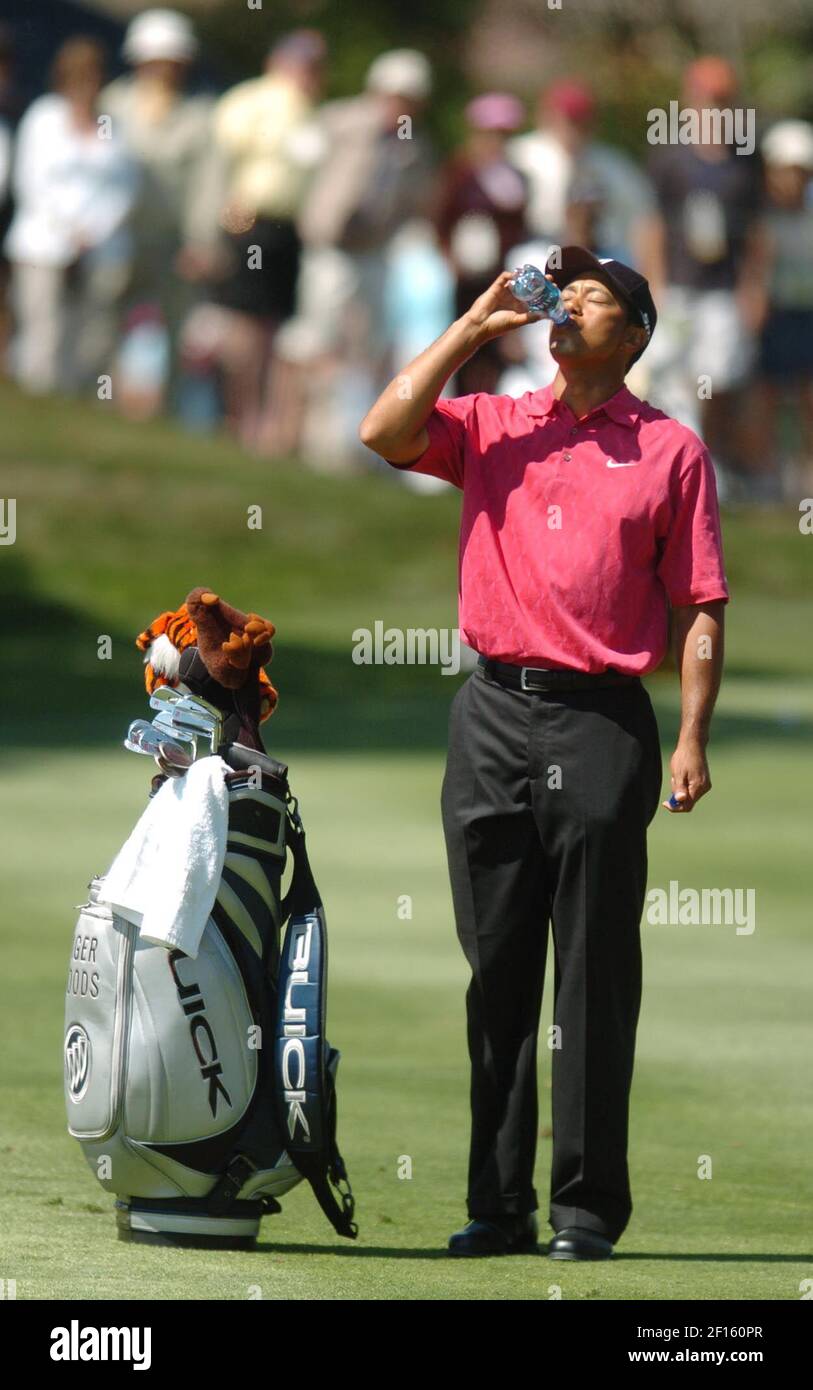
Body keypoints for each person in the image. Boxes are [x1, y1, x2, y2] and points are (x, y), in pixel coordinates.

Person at [359, 245, 729, 1259]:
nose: (564, 306)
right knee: (499, 969)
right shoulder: (496, 421)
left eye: (592, 296)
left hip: (603, 721)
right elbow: (382, 428)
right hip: (491, 715)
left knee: (594, 975)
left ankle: (584, 1209)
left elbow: (700, 604)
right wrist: (474, 328)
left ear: (636, 333)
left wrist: (693, 732)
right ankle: (497, 1202)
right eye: (559, 294)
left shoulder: (670, 450)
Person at [640, 56, 768, 491]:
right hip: (677, 286)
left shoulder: (746, 160)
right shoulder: (670, 158)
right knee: (668, 375)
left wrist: (753, 288)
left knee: (717, 378)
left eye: (722, 100)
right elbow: (652, 223)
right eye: (706, 99)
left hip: (723, 289)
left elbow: (756, 231)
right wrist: (652, 283)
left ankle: (708, 462)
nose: (713, 109)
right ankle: (667, 464)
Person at [201, 29, 327, 447]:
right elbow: (220, 165)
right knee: (244, 326)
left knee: (272, 328)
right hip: (249, 223)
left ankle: (262, 424)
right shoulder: (251, 102)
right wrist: (219, 224)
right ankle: (238, 416)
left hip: (285, 230)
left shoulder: (309, 113)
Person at [101, 8, 226, 411]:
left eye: (172, 63)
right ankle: (98, 398)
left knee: (176, 329)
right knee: (103, 318)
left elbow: (209, 185)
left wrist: (201, 242)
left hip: (175, 242)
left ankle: (166, 409)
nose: (165, 71)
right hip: (117, 236)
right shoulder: (112, 104)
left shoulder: (200, 116)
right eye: (157, 62)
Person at [5, 37, 137, 394]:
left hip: (102, 248)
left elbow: (125, 186)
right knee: (44, 329)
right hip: (43, 244)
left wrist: (94, 231)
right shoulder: (44, 117)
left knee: (94, 335)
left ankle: (84, 398)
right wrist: (67, 230)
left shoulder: (113, 126)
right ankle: (40, 394)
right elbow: (32, 181)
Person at [432, 92, 528, 396]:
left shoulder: (516, 176)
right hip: (465, 280)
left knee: (497, 346)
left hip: (501, 276)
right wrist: (449, 260)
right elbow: (439, 218)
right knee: (464, 343)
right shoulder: (460, 173)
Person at [507, 78, 655, 264]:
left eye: (580, 121)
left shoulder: (611, 164)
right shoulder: (522, 155)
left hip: (598, 250)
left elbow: (644, 216)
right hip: (541, 247)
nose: (573, 129)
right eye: (568, 120)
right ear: (547, 116)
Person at [742, 119, 813, 500]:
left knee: (808, 399)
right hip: (776, 318)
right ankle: (766, 480)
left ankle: (806, 481)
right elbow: (756, 271)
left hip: (807, 315)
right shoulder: (763, 219)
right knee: (765, 397)